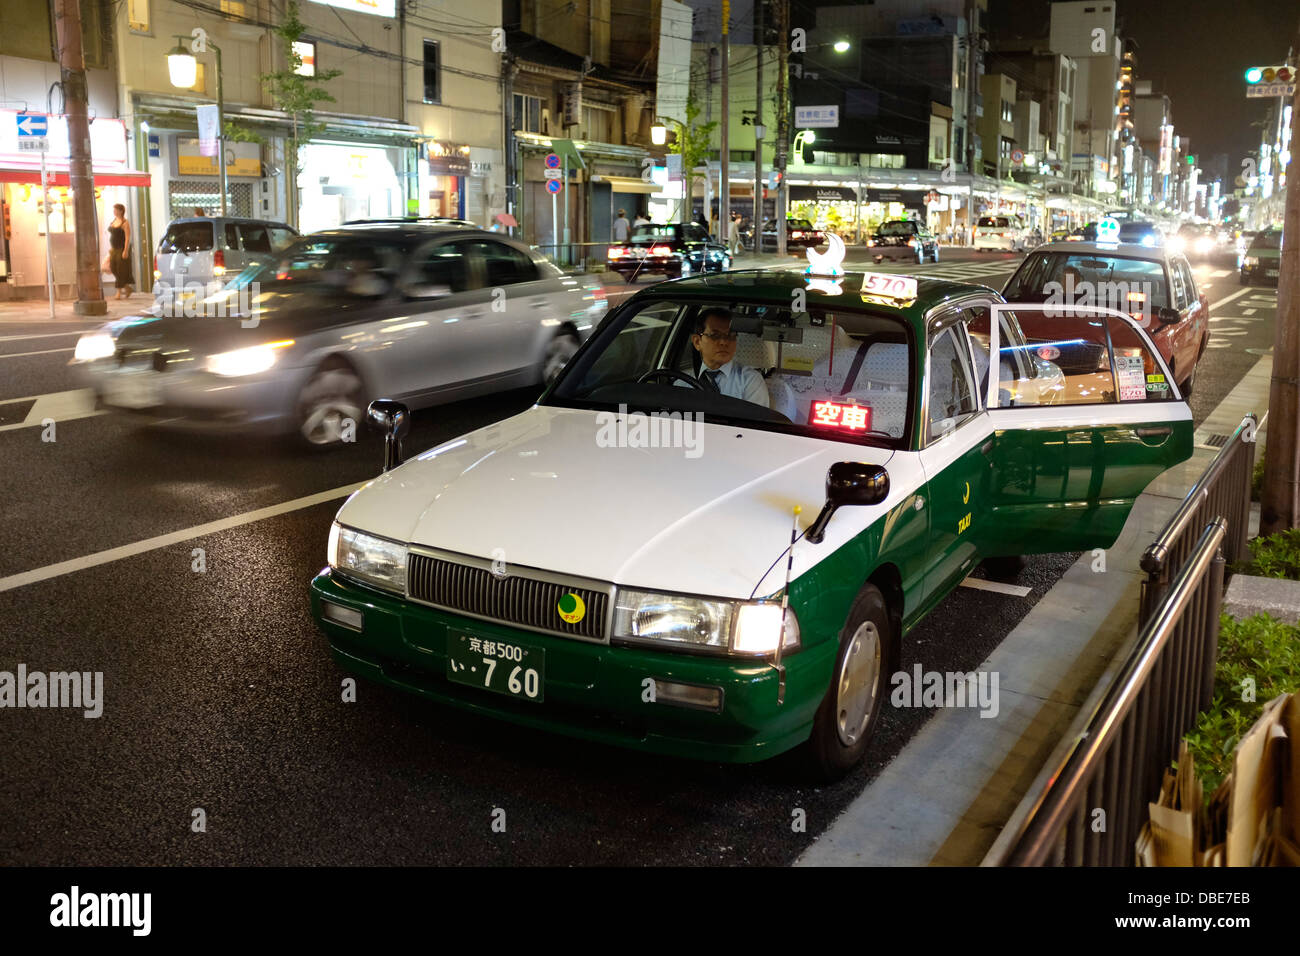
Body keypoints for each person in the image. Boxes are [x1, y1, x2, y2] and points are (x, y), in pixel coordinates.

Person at [686, 307, 769, 407]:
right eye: (715, 335)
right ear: (697, 342)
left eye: (730, 335)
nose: (724, 342)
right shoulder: (683, 381)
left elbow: (754, 422)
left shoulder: (750, 381)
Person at [107, 203, 134, 299]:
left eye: (115, 210)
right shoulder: (114, 221)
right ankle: (127, 287)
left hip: (121, 248)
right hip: (114, 249)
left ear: (121, 211)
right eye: (113, 210)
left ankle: (118, 292)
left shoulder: (125, 222)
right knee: (112, 268)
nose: (114, 211)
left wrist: (125, 250)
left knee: (120, 269)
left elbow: (127, 237)